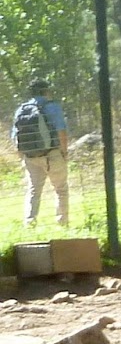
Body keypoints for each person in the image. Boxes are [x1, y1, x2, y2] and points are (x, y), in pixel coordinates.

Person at [10, 76, 68, 229]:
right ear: (46, 91)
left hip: (31, 157)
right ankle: (62, 223)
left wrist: (23, 157)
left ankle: (30, 223)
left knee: (34, 190)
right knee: (61, 189)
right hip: (52, 154)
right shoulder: (53, 107)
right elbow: (61, 131)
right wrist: (64, 152)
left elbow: (15, 137)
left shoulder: (21, 110)